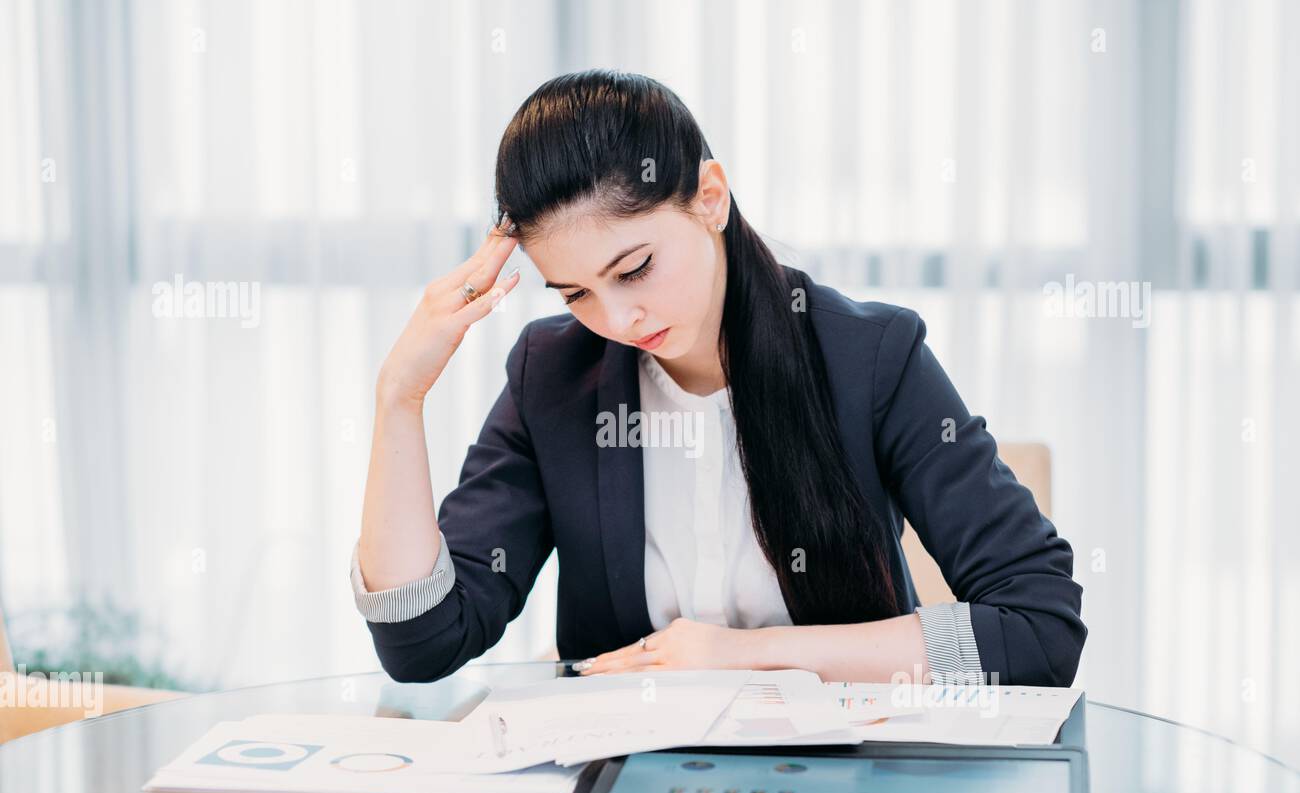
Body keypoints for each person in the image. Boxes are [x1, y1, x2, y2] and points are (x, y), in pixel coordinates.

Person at [350, 69, 1085, 687]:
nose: (618, 318)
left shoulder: (871, 357)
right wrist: (399, 398)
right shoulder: (554, 375)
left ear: (710, 197)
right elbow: (426, 645)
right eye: (575, 293)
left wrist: (744, 657)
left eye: (634, 268)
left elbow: (1039, 626)